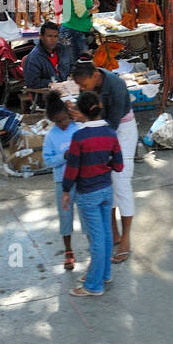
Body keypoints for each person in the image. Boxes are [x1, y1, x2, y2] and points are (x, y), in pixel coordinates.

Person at [69, 61, 136, 263]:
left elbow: (112, 125)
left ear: (95, 76)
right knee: (107, 180)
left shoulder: (116, 85)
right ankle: (113, 232)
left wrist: (83, 118)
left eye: (84, 85)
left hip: (121, 130)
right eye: (79, 86)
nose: (82, 90)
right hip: (102, 130)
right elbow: (88, 113)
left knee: (121, 182)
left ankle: (126, 238)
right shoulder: (90, 84)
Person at [61, 90, 123, 297]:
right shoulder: (110, 133)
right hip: (106, 189)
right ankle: (105, 275)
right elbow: (119, 165)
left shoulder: (79, 137)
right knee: (105, 235)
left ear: (82, 112)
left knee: (97, 240)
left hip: (87, 193)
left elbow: (72, 168)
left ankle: (94, 285)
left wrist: (66, 190)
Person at [41, 95, 82, 272]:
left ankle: (93, 247)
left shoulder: (78, 128)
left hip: (82, 179)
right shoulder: (51, 136)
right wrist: (63, 156)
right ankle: (68, 251)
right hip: (62, 181)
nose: (63, 123)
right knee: (65, 216)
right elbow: (48, 160)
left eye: (64, 119)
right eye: (58, 121)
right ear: (52, 121)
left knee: (87, 214)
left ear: (69, 114)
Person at [23, 20, 75, 104]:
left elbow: (72, 65)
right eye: (49, 36)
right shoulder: (34, 58)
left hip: (67, 91)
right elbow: (31, 82)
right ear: (41, 36)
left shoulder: (62, 48)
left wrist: (72, 75)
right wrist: (50, 84)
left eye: (55, 36)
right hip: (47, 97)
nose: (53, 40)